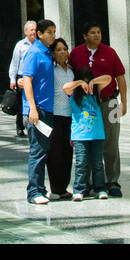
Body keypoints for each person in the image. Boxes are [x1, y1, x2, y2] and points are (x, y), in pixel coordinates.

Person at [68, 23, 126, 197]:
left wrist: (124, 101)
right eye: (92, 33)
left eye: (99, 32)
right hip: (85, 105)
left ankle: (113, 180)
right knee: (89, 142)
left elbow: (120, 77)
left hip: (109, 103)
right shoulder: (76, 54)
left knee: (111, 142)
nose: (97, 35)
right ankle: (91, 182)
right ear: (84, 36)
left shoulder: (110, 52)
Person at [20, 18, 57, 205]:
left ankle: (40, 189)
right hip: (37, 110)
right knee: (37, 150)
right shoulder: (34, 52)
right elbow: (26, 80)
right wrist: (32, 108)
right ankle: (33, 191)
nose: (52, 35)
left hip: (47, 109)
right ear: (39, 34)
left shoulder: (48, 53)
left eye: (54, 32)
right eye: (49, 32)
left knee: (44, 149)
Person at [63, 67, 113, 200]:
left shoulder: (96, 91)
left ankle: (100, 189)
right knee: (81, 163)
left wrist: (94, 82)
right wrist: (80, 83)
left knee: (97, 163)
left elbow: (108, 78)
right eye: (84, 81)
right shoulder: (73, 93)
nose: (86, 86)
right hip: (80, 136)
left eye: (88, 80)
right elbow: (65, 87)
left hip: (97, 134)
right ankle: (79, 189)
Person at [46, 37, 73, 200]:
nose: (62, 52)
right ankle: (56, 187)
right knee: (55, 153)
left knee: (68, 152)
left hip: (71, 116)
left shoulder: (71, 70)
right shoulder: (51, 69)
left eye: (65, 49)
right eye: (58, 49)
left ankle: (64, 186)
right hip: (55, 115)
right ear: (53, 53)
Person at [7, 21, 37, 137]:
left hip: (35, 77)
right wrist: (12, 79)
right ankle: (20, 126)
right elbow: (14, 63)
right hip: (22, 77)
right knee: (22, 103)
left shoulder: (39, 45)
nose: (33, 32)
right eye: (31, 30)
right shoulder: (20, 45)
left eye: (35, 30)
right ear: (26, 32)